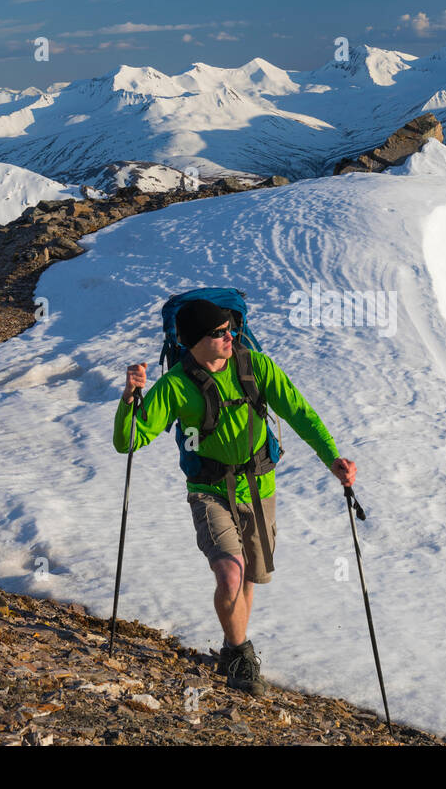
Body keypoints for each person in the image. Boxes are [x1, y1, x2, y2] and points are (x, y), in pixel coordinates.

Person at [113, 298, 357, 696]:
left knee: (249, 576)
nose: (231, 337)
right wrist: (129, 399)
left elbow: (299, 412)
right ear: (196, 341)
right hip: (208, 492)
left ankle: (232, 650)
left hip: (260, 487)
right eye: (220, 333)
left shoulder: (255, 367)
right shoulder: (175, 385)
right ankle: (241, 655)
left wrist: (334, 459)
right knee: (230, 571)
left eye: (231, 330)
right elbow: (130, 441)